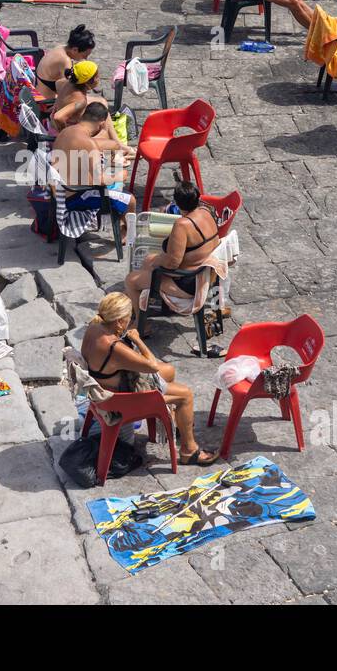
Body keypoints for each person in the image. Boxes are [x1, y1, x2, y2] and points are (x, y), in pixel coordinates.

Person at [80, 293, 218, 465]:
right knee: (186, 395)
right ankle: (188, 450)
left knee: (168, 370)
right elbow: (151, 365)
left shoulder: (94, 327)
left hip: (104, 386)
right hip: (119, 400)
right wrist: (138, 339)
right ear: (119, 322)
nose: (131, 322)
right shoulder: (113, 347)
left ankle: (174, 421)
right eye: (129, 318)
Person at [124, 181, 221, 313]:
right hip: (204, 274)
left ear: (177, 202)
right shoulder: (206, 211)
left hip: (187, 283)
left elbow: (172, 263)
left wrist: (158, 262)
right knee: (148, 260)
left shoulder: (182, 225)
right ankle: (148, 303)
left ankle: (141, 325)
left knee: (131, 280)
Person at [51, 103, 135, 214]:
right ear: (102, 124)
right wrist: (120, 176)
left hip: (58, 191)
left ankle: (122, 224)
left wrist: (114, 145)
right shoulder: (89, 144)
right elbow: (98, 181)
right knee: (131, 200)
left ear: (83, 116)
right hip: (74, 197)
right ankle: (126, 230)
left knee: (118, 192)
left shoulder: (66, 131)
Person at [35, 24, 95, 99]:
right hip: (46, 101)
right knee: (99, 101)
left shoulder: (60, 47)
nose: (86, 59)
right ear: (75, 50)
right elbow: (69, 90)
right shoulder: (65, 61)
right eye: (84, 56)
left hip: (40, 89)